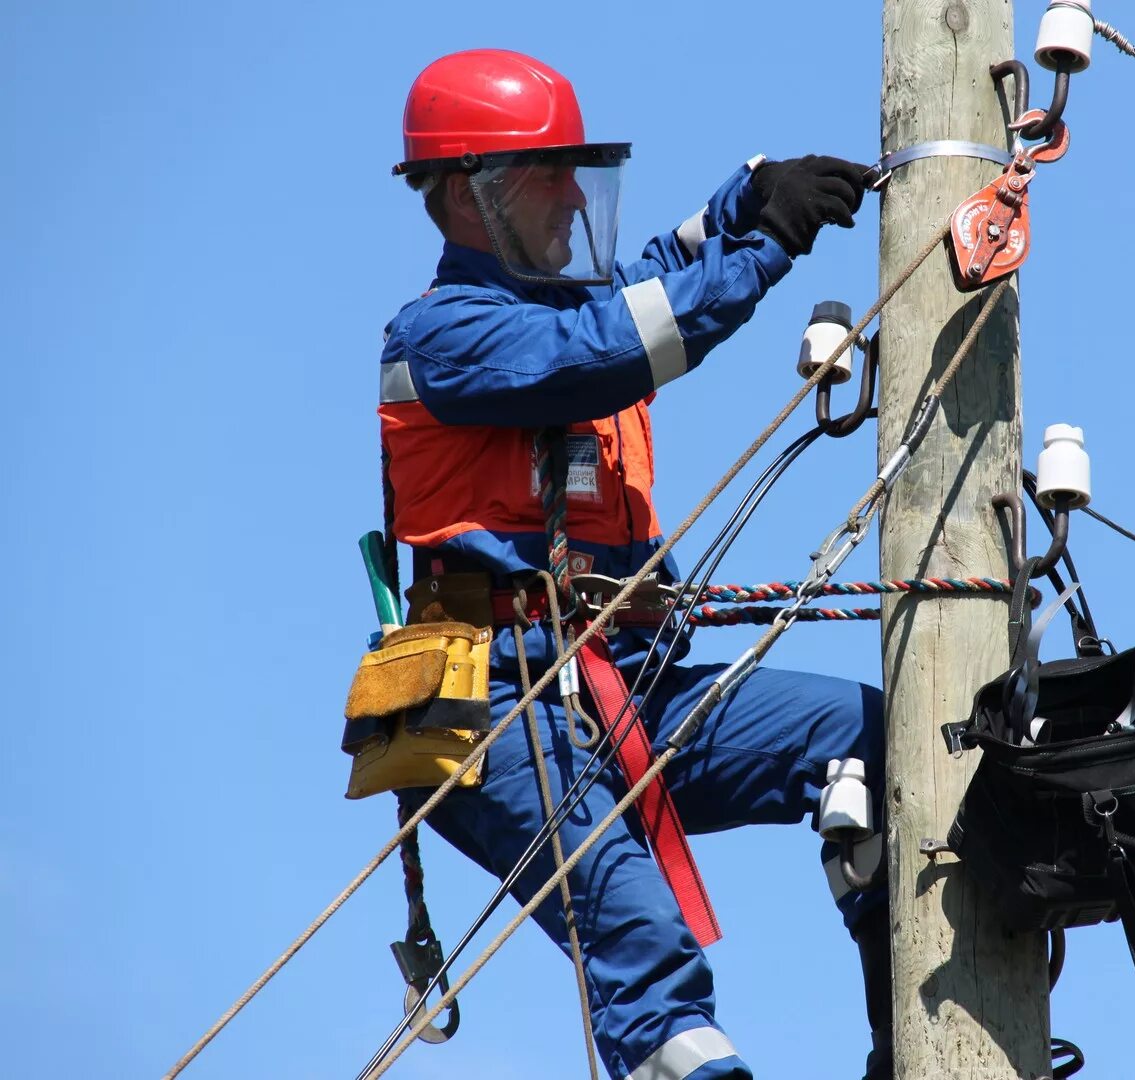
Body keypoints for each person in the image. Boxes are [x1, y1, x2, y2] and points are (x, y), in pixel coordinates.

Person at [379, 49, 890, 1080]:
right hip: (489, 703)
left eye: (580, 171)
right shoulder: (445, 335)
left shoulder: (559, 304)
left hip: (618, 689)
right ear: (472, 195)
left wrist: (747, 199)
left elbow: (651, 273)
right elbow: (621, 341)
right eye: (550, 174)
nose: (576, 195)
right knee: (640, 941)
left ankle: (909, 1045)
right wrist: (763, 252)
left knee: (872, 736)